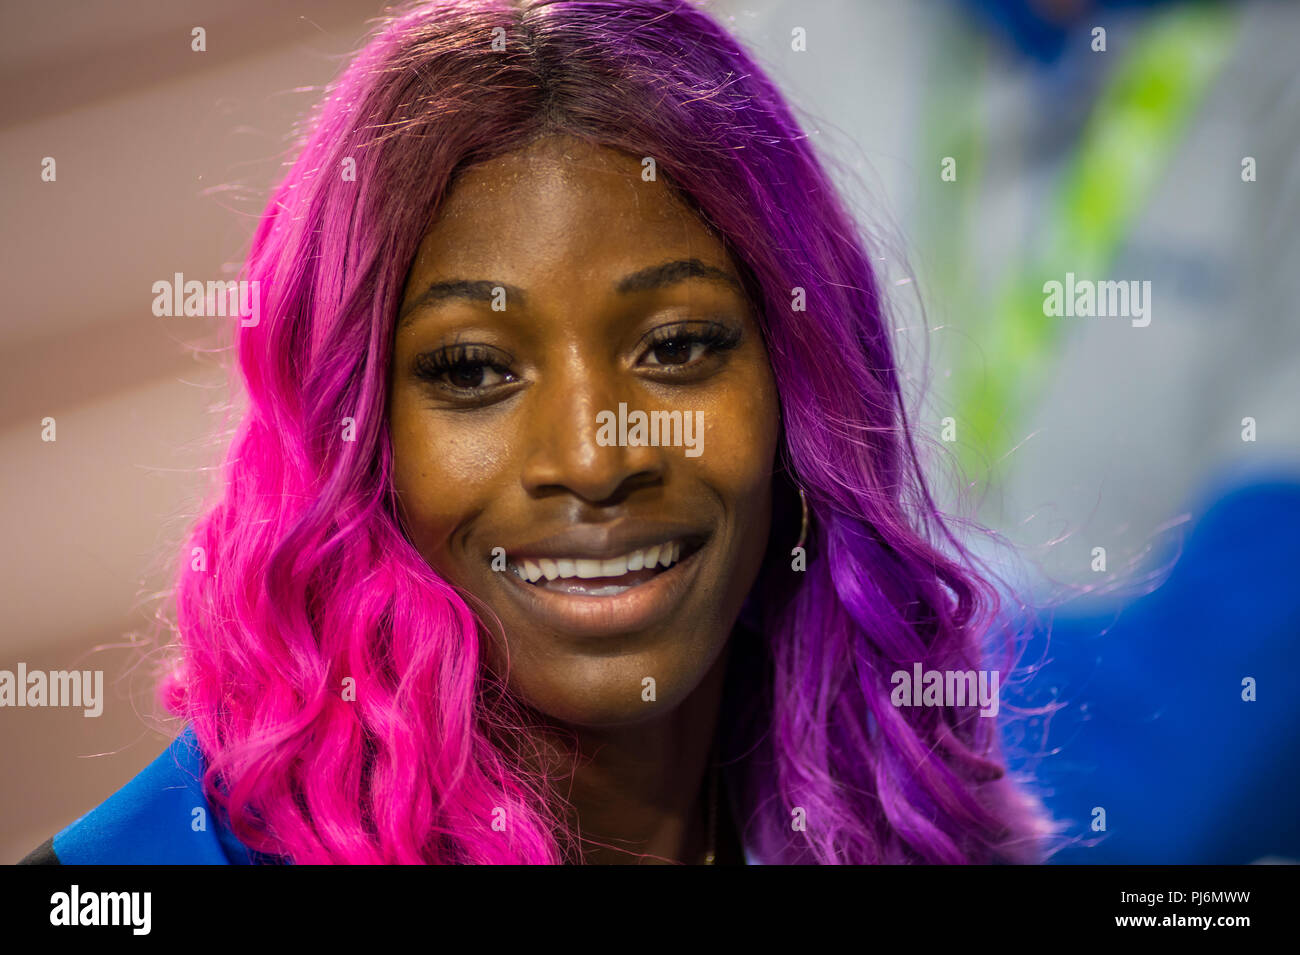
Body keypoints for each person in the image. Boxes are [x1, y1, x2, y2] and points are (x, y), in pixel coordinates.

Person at [22, 0, 1053, 865]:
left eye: (678, 347)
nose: (593, 460)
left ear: (802, 390)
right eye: (473, 369)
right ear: (357, 441)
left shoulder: (911, 824)